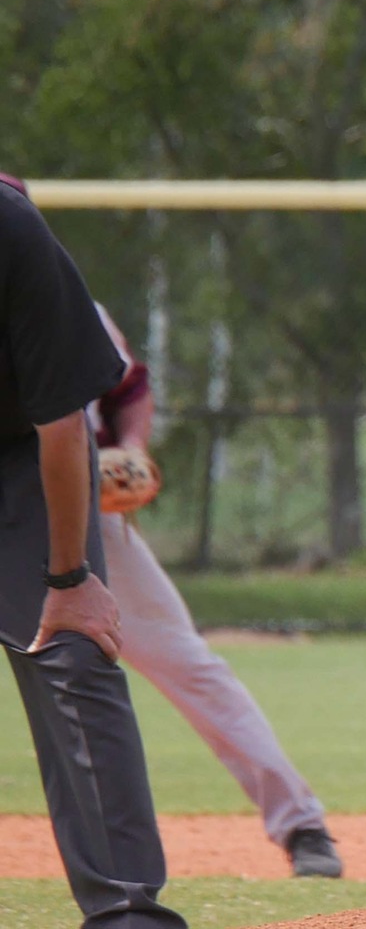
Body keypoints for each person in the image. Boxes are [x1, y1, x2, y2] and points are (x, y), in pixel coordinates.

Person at [0, 177, 189, 926]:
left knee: (75, 655)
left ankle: (126, 915)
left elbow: (61, 427)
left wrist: (71, 578)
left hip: (20, 454)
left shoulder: (11, 230)